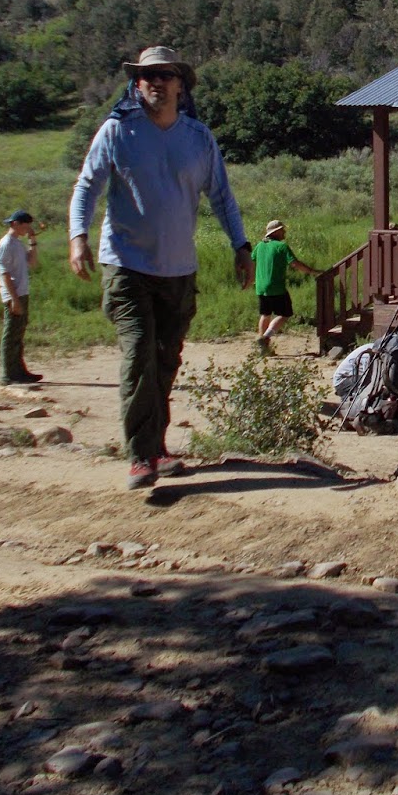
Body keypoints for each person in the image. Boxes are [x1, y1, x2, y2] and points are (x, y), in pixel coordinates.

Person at [68, 45, 253, 490]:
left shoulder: (198, 138)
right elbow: (87, 186)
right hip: (125, 264)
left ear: (180, 85)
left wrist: (241, 246)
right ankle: (140, 456)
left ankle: (156, 446)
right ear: (137, 85)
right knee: (139, 354)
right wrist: (78, 237)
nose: (156, 82)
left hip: (179, 269)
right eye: (147, 76)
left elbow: (222, 196)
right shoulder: (118, 130)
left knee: (166, 359)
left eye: (165, 75)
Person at [253, 219, 319, 351]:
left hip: (260, 286)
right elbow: (295, 263)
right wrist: (312, 271)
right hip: (276, 286)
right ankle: (266, 337)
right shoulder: (281, 246)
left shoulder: (259, 246)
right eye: (282, 230)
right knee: (285, 314)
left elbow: (252, 262)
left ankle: (262, 344)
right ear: (276, 232)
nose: (284, 232)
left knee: (265, 314)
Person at [0, 210, 42, 386]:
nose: (28, 228)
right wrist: (14, 299)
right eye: (26, 225)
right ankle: (7, 374)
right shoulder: (6, 243)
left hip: (22, 292)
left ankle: (19, 371)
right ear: (16, 224)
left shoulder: (17, 243)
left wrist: (33, 241)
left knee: (18, 333)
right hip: (13, 294)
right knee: (11, 333)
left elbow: (33, 262)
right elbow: (4, 273)